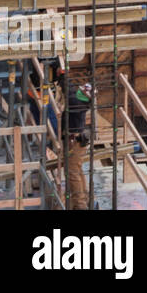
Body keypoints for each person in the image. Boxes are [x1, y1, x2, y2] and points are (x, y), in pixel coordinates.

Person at [63, 79, 94, 210]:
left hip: (75, 142)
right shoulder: (80, 102)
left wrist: (64, 77)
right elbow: (70, 92)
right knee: (77, 169)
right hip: (78, 140)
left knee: (72, 172)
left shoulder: (76, 103)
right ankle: (85, 199)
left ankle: (80, 205)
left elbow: (70, 94)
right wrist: (64, 77)